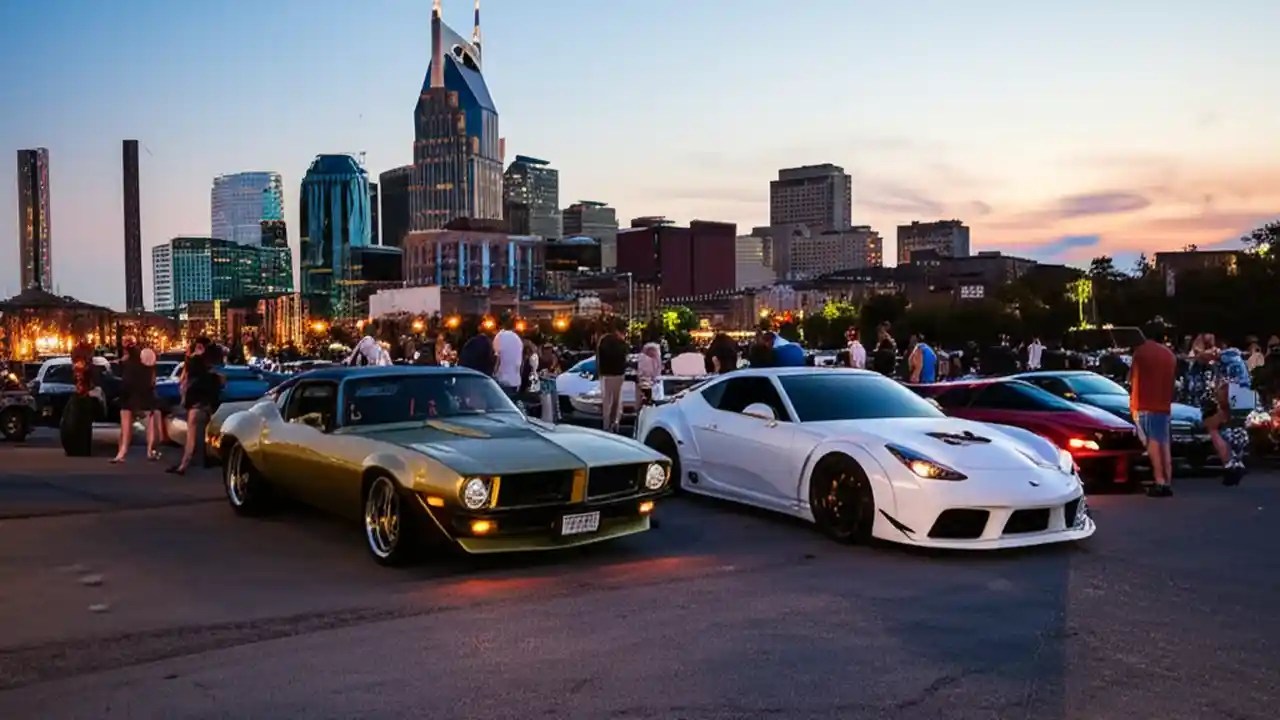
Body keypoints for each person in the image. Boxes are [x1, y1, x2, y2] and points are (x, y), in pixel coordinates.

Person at [1130, 323, 1178, 497]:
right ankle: (1167, 480)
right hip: (1164, 404)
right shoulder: (1169, 355)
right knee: (1164, 443)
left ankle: (1159, 481)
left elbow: (1134, 378)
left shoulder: (1141, 352)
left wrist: (1133, 406)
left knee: (1153, 443)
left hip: (1145, 403)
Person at [167, 338, 222, 475]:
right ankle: (191, 462)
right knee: (200, 435)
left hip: (197, 406)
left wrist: (192, 356)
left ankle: (184, 464)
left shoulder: (195, 367)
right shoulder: (209, 369)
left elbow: (187, 375)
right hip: (204, 405)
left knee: (192, 435)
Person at [111, 339, 161, 463]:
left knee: (126, 428)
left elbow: (120, 371)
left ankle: (122, 453)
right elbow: (152, 379)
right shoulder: (145, 360)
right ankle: (150, 451)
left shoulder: (126, 361)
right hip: (142, 395)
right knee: (149, 426)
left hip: (129, 395)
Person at [596, 321, 629, 433]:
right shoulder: (617, 342)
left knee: (609, 401)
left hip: (607, 374)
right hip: (616, 374)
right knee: (615, 400)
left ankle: (609, 425)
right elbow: (622, 355)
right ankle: (613, 424)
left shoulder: (603, 340)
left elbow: (599, 357)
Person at [493, 319, 525, 400]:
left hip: (502, 381)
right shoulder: (518, 339)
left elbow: (497, 359)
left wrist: (493, 375)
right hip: (515, 382)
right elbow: (521, 363)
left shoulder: (499, 336)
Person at [637, 342, 662, 406]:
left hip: (652, 385)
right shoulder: (645, 360)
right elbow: (647, 374)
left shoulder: (654, 360)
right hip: (647, 385)